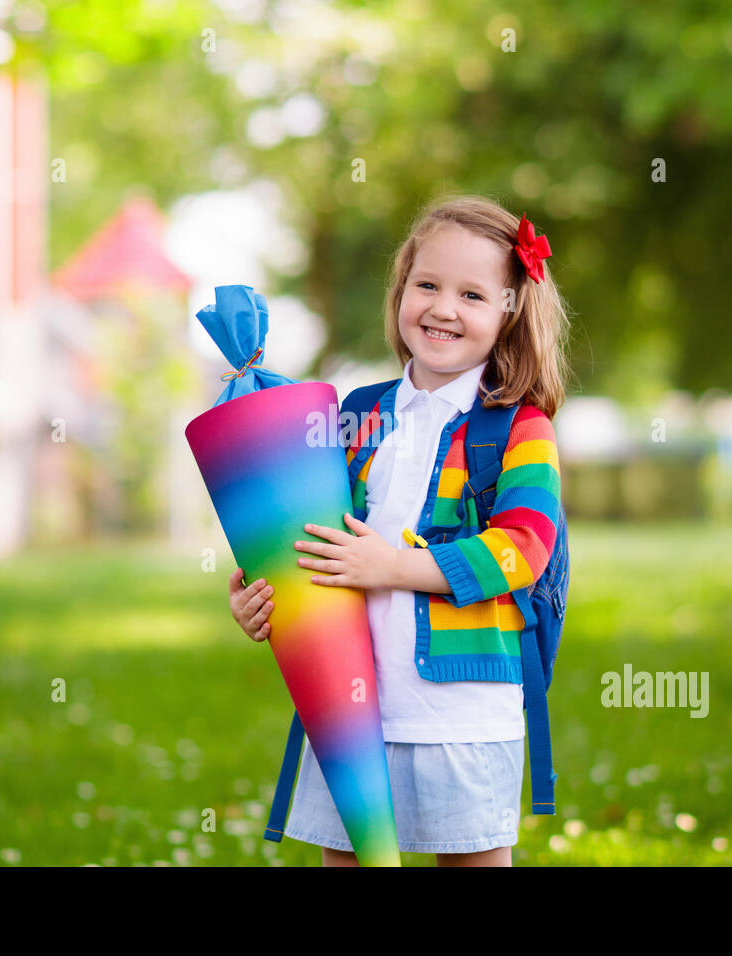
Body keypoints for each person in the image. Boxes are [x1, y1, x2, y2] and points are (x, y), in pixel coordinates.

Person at [230, 194, 571, 866]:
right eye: (427, 285)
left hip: (463, 715)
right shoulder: (354, 414)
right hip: (349, 703)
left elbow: (523, 548)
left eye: (473, 294)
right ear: (400, 293)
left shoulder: (518, 428)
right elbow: (307, 535)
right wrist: (258, 590)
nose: (443, 308)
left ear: (509, 314)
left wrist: (393, 568)